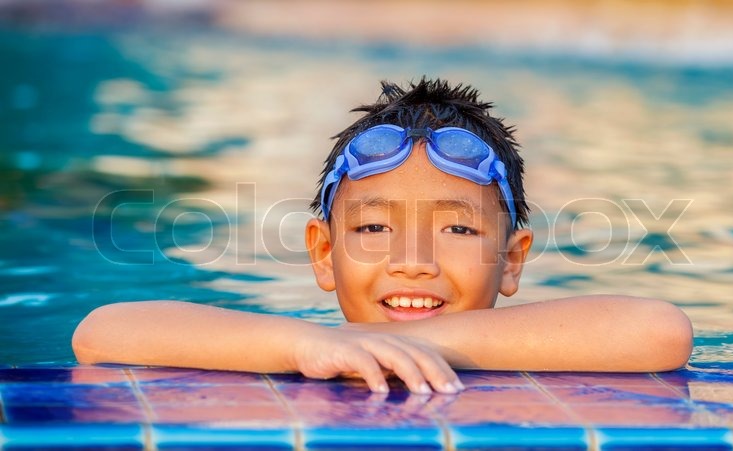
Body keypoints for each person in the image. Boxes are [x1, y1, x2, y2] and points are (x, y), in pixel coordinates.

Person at [73, 78, 693, 395]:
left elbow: (659, 331)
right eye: (372, 227)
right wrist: (302, 346)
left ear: (510, 260)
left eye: (457, 227)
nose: (414, 262)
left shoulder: (541, 343)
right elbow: (100, 333)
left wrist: (404, 341)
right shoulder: (298, 341)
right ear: (322, 252)